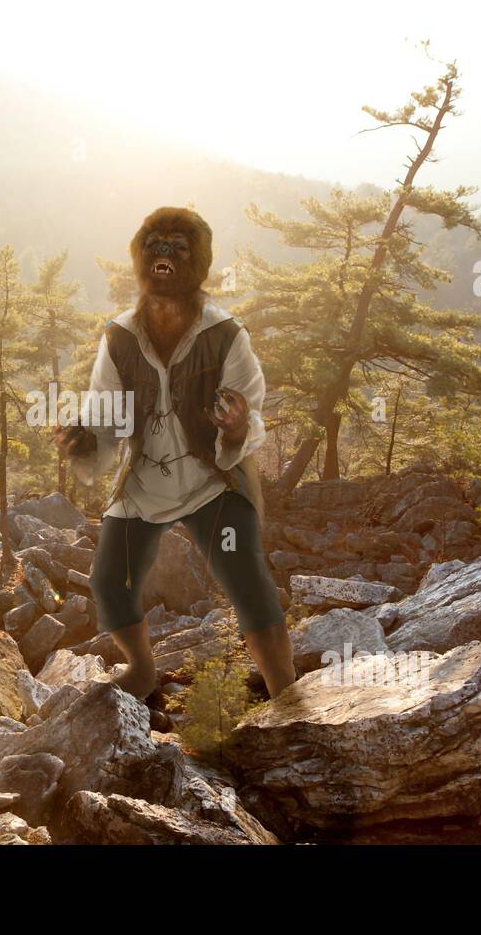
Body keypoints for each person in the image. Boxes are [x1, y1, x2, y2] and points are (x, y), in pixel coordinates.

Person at [52, 206, 296, 701]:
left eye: (176, 246)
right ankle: (143, 672)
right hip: (145, 479)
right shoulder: (118, 337)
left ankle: (285, 692)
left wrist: (236, 427)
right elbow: (106, 413)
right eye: (154, 244)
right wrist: (85, 440)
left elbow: (249, 409)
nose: (162, 254)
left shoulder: (226, 334)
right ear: (140, 259)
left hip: (213, 481)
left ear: (197, 262)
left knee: (243, 575)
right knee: (109, 580)